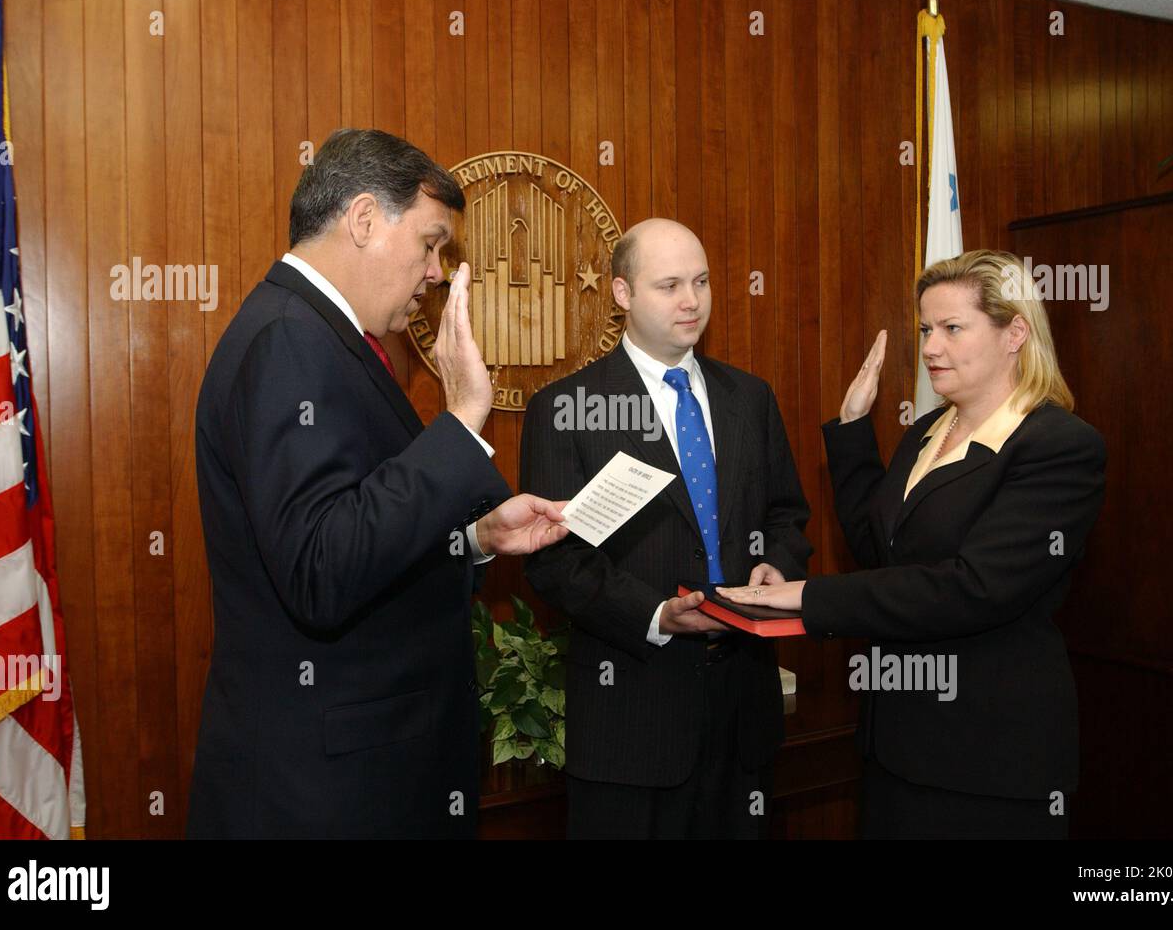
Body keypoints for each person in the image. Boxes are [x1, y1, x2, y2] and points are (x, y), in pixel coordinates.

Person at [188, 128, 568, 838]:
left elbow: (356, 527)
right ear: (363, 219)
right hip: (326, 795)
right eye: (428, 243)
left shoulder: (319, 335)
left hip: (360, 779)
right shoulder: (289, 340)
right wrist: (460, 419)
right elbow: (321, 569)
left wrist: (474, 536)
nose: (433, 271)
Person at [718, 249, 1106, 839]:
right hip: (895, 744)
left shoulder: (1058, 444)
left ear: (1015, 333)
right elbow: (880, 551)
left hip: (988, 758)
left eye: (953, 328)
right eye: (926, 328)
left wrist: (808, 597)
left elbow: (973, 589)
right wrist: (852, 430)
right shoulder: (928, 431)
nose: (929, 348)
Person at [521, 218, 812, 838]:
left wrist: (778, 563)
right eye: (670, 285)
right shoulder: (565, 408)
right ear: (622, 294)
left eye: (702, 282)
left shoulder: (750, 397)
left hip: (742, 716)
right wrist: (656, 614)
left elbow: (788, 513)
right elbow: (555, 561)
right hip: (632, 717)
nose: (692, 301)